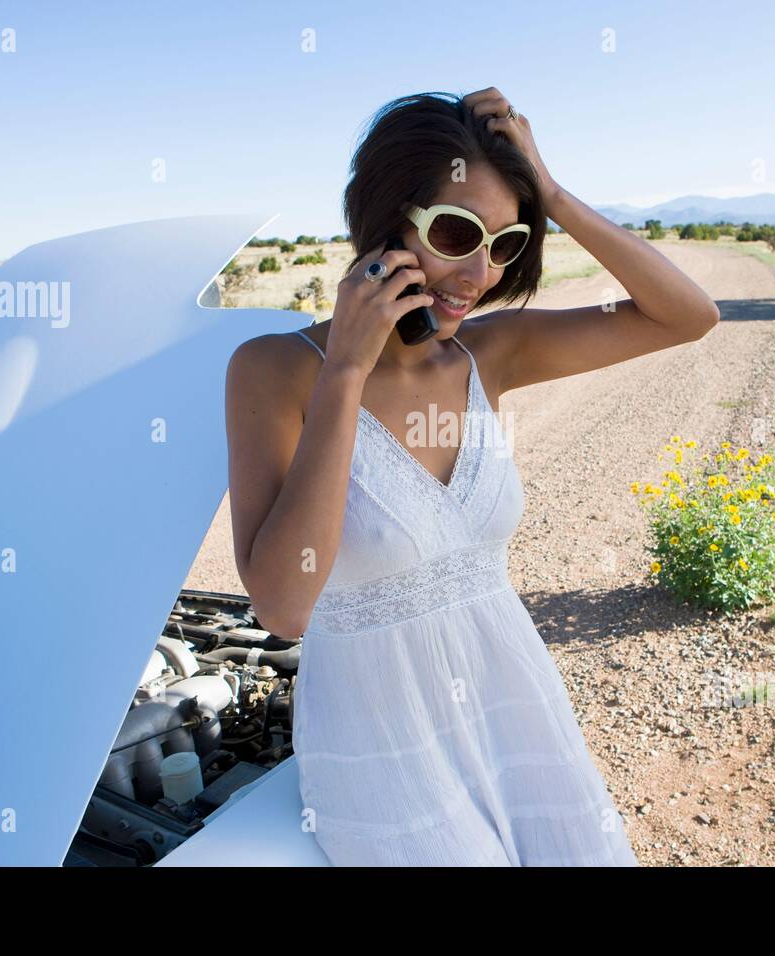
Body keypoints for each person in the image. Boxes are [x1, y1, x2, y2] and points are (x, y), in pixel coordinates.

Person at [224, 88, 720, 865]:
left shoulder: (493, 352)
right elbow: (286, 605)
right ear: (387, 221)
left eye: (507, 242)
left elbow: (688, 316)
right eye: (458, 234)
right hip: (381, 752)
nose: (480, 272)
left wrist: (552, 194)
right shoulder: (274, 370)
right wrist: (346, 371)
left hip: (516, 717)